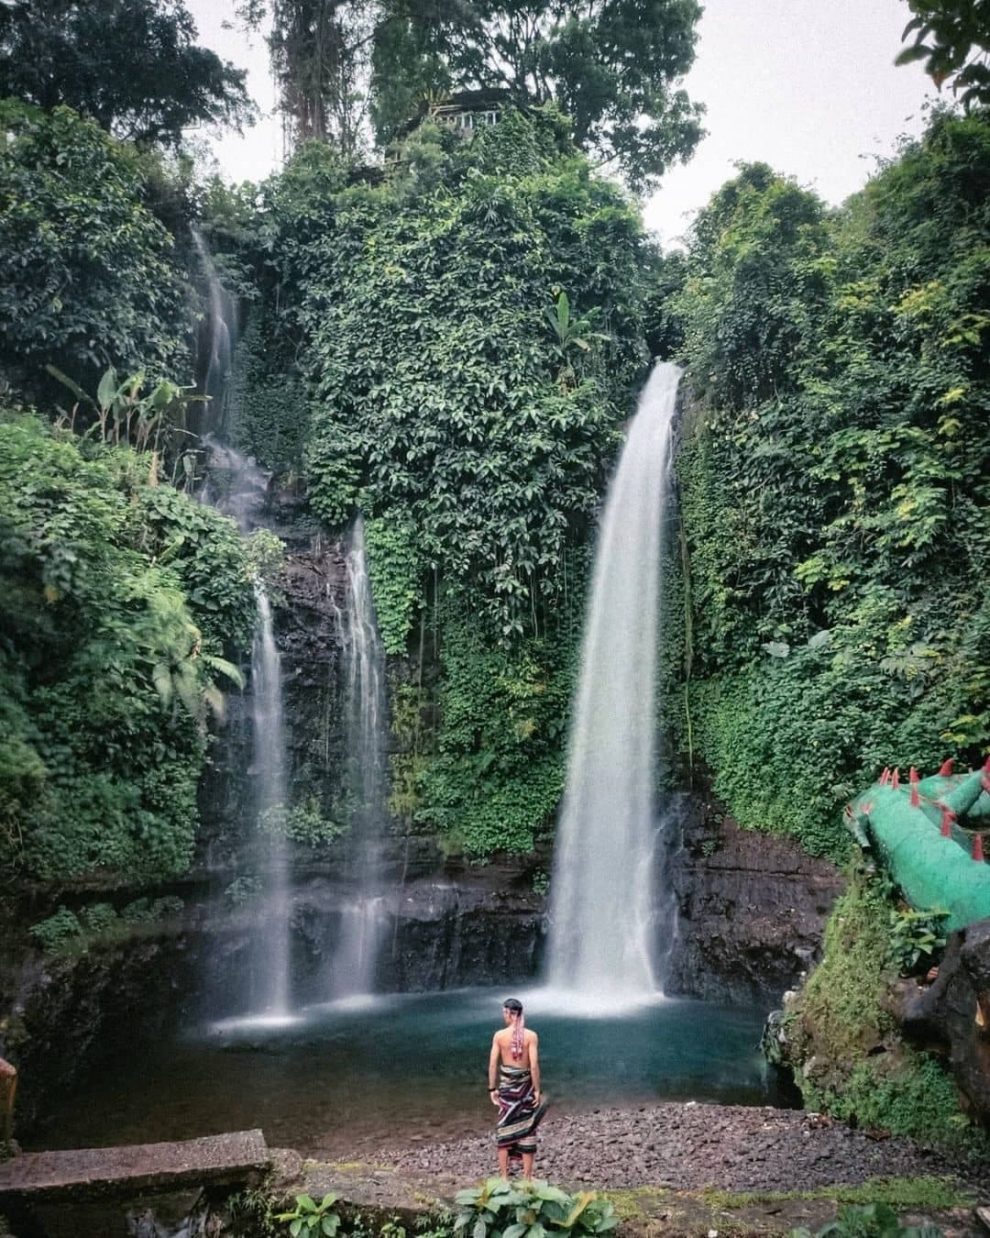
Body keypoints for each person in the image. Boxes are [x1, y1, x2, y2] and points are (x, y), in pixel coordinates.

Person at [488, 997, 546, 1179]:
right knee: (528, 1129)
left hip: (507, 1089)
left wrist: (492, 1089)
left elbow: (492, 1064)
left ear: (508, 1013)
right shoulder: (531, 1036)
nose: (503, 1016)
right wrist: (536, 1089)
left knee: (504, 1129)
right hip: (525, 1089)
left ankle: (504, 1177)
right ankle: (527, 1178)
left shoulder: (499, 1036)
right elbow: (534, 1065)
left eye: (504, 1013)